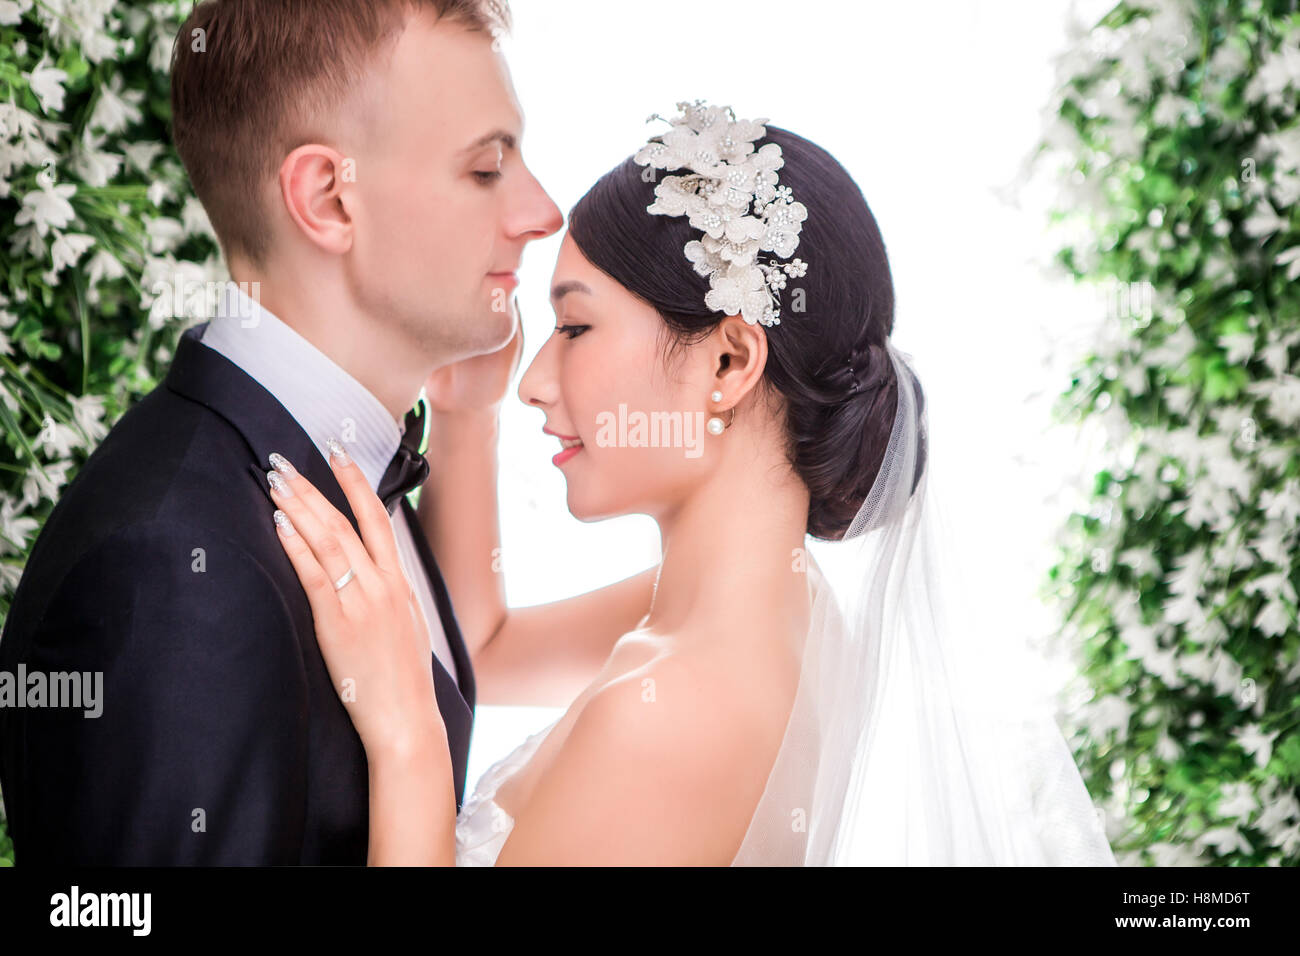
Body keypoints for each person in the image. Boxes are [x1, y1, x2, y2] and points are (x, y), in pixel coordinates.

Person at [269, 101, 1119, 865]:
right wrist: (466, 415)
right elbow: (479, 653)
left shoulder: (669, 716)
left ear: (728, 358)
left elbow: (447, 686)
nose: (534, 379)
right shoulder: (768, 606)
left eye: (575, 326)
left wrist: (407, 740)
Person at [0, 0, 666, 865]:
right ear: (327, 198)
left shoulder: (346, 467)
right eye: (486, 168)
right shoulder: (171, 573)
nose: (543, 213)